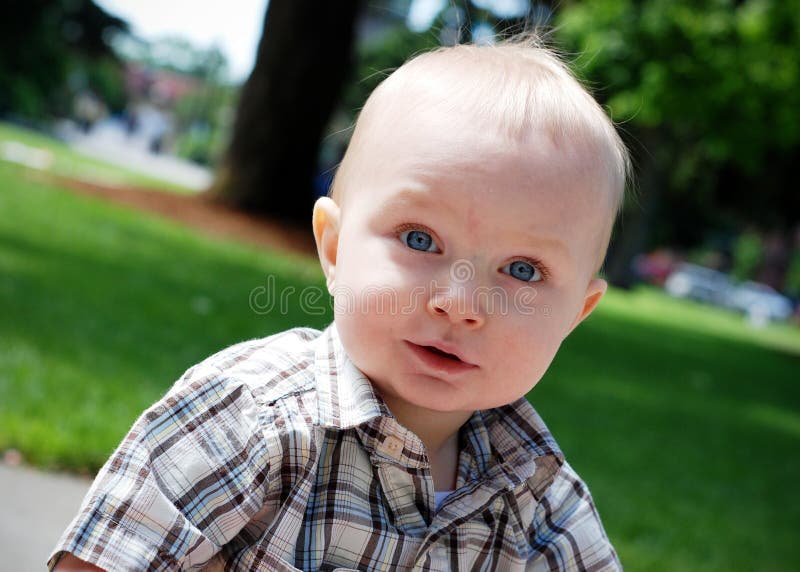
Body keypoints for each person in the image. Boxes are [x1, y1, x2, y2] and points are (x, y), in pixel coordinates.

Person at [50, 37, 629, 571]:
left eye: (523, 270)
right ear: (333, 248)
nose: (460, 303)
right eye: (420, 239)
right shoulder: (250, 417)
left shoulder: (541, 496)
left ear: (574, 315)